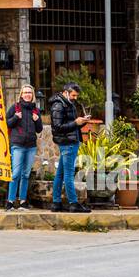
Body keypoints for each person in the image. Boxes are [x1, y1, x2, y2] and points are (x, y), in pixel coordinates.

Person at [49, 81, 91, 213]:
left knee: (60, 174)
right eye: (73, 95)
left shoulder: (67, 103)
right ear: (66, 92)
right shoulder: (58, 105)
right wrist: (75, 122)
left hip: (70, 141)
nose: (75, 98)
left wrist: (82, 122)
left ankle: (56, 203)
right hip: (67, 143)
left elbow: (72, 126)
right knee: (68, 174)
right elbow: (58, 127)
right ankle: (73, 203)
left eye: (76, 96)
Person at [5, 85, 43, 210]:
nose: (27, 94)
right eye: (25, 92)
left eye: (29, 93)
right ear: (21, 94)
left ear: (32, 95)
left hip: (31, 146)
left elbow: (39, 129)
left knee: (26, 175)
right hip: (18, 145)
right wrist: (16, 117)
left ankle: (22, 202)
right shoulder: (15, 108)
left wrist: (37, 120)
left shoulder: (36, 110)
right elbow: (7, 123)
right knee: (15, 174)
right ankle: (10, 201)